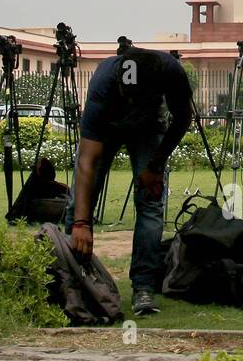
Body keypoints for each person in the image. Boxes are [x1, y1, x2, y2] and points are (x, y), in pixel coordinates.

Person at [67, 45, 193, 316]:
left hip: (148, 130)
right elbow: (87, 161)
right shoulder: (104, 82)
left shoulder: (171, 72)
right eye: (127, 94)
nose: (130, 102)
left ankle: (143, 288)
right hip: (107, 127)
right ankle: (72, 282)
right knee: (79, 202)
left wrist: (155, 165)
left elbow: (183, 118)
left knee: (151, 202)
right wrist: (81, 222)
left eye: (137, 97)